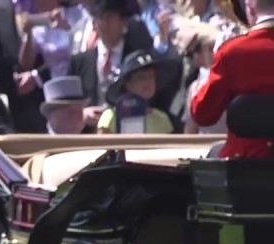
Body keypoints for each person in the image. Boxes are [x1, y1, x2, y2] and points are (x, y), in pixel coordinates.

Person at [191, 2, 274, 157]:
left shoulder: (231, 52)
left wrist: (214, 62)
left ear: (250, 6)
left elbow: (203, 114)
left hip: (245, 165)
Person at [97, 50, 175, 134]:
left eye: (151, 76)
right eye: (141, 77)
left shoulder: (162, 119)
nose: (148, 82)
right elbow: (101, 146)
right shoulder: (110, 116)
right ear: (127, 84)